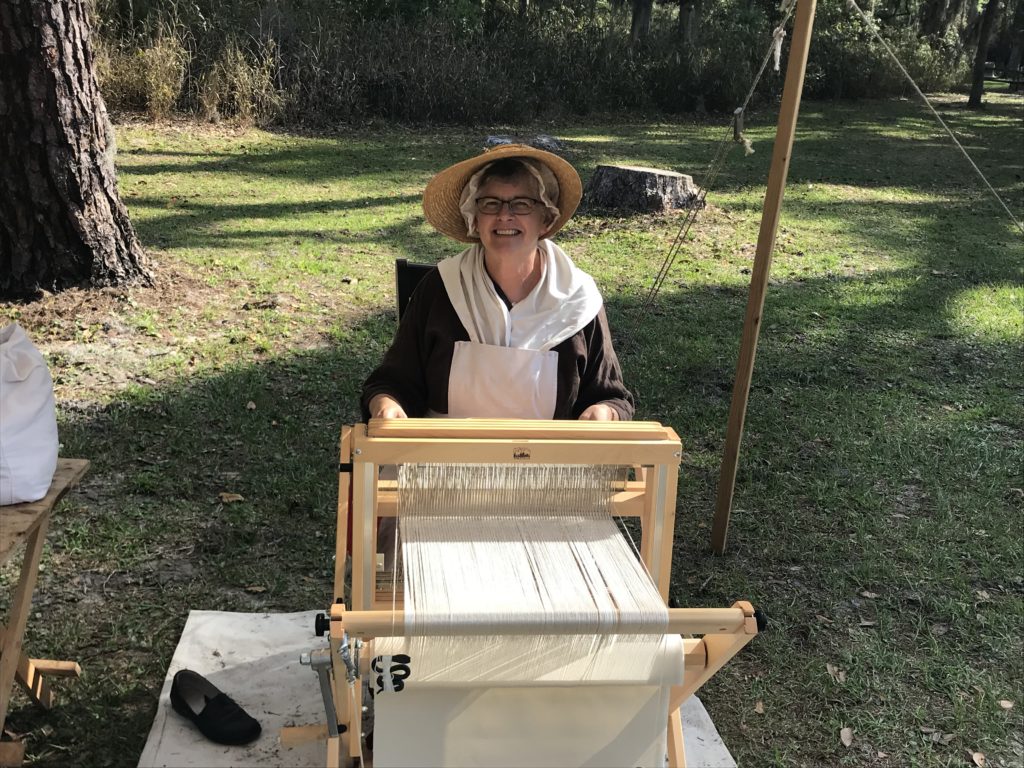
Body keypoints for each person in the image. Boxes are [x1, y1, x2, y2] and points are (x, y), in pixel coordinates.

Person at [361, 143, 633, 422]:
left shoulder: (578, 300)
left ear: (547, 221)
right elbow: (393, 383)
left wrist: (604, 412)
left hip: (550, 463)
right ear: (474, 219)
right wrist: (385, 404)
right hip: (443, 461)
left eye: (522, 204)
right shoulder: (440, 288)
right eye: (490, 203)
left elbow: (609, 396)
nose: (505, 215)